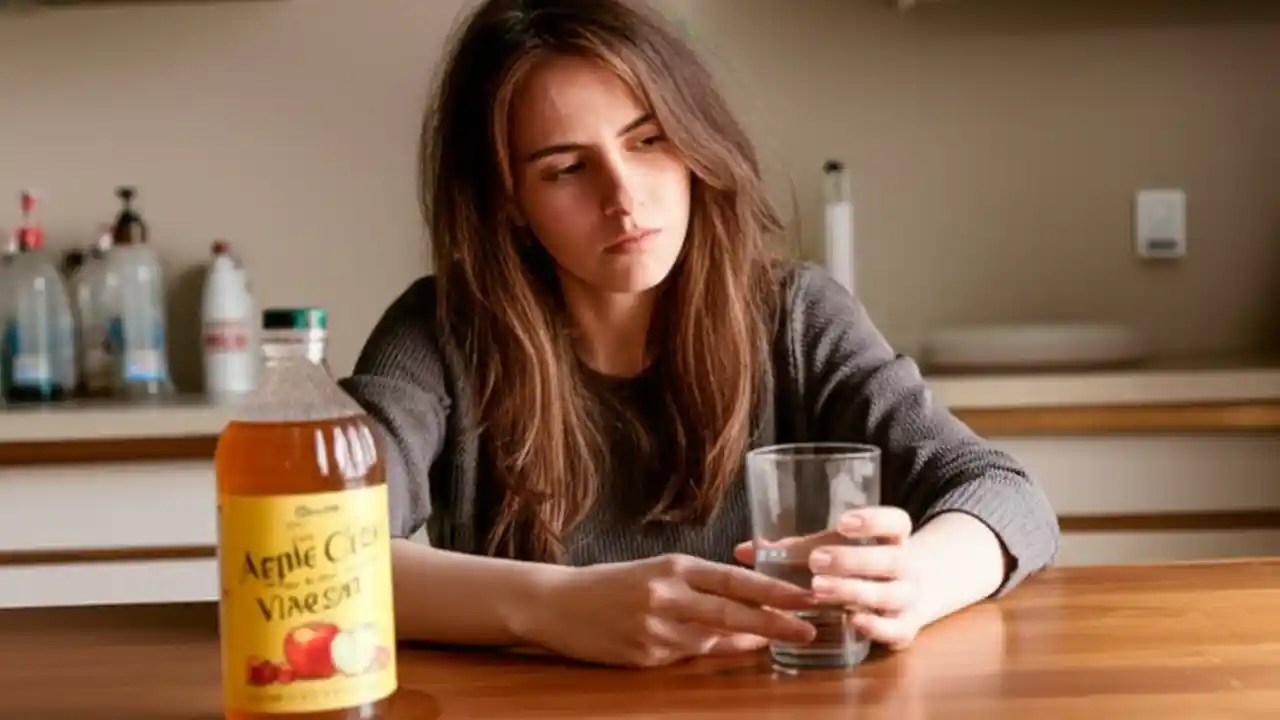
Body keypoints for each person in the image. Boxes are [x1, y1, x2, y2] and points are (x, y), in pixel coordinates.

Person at [338, 0, 1060, 669]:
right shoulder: (438, 334)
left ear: (693, 143)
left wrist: (914, 583)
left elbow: (1004, 495)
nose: (623, 198)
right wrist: (554, 607)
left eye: (648, 140)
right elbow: (321, 548)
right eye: (566, 169)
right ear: (509, 203)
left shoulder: (797, 317)